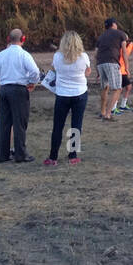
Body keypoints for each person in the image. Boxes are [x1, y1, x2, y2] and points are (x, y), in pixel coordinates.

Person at [0, 28, 41, 163]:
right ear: (23, 39)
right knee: (20, 123)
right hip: (19, 90)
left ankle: (3, 155)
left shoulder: (1, 55)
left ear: (8, 39)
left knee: (4, 123)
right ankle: (20, 154)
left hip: (4, 90)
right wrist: (32, 83)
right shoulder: (24, 55)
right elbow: (35, 72)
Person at [46, 31, 91, 166]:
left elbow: (54, 69)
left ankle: (53, 157)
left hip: (62, 94)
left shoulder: (57, 56)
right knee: (76, 125)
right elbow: (87, 72)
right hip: (79, 93)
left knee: (58, 126)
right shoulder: (83, 57)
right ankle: (72, 155)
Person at [95, 18, 127, 121]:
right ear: (114, 24)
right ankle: (108, 114)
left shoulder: (101, 37)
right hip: (112, 62)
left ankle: (102, 112)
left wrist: (97, 70)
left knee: (105, 88)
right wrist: (127, 67)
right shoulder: (120, 34)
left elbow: (95, 54)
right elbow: (124, 52)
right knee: (117, 88)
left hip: (100, 63)